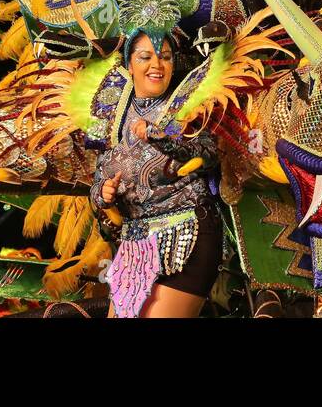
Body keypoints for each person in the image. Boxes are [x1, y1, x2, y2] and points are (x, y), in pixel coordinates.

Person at [90, 31, 223, 317]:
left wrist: (161, 138)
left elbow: (208, 154)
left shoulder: (186, 103)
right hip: (134, 244)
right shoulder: (110, 116)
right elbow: (97, 181)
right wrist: (103, 194)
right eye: (145, 57)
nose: (156, 65)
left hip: (187, 231)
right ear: (129, 65)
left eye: (165, 57)